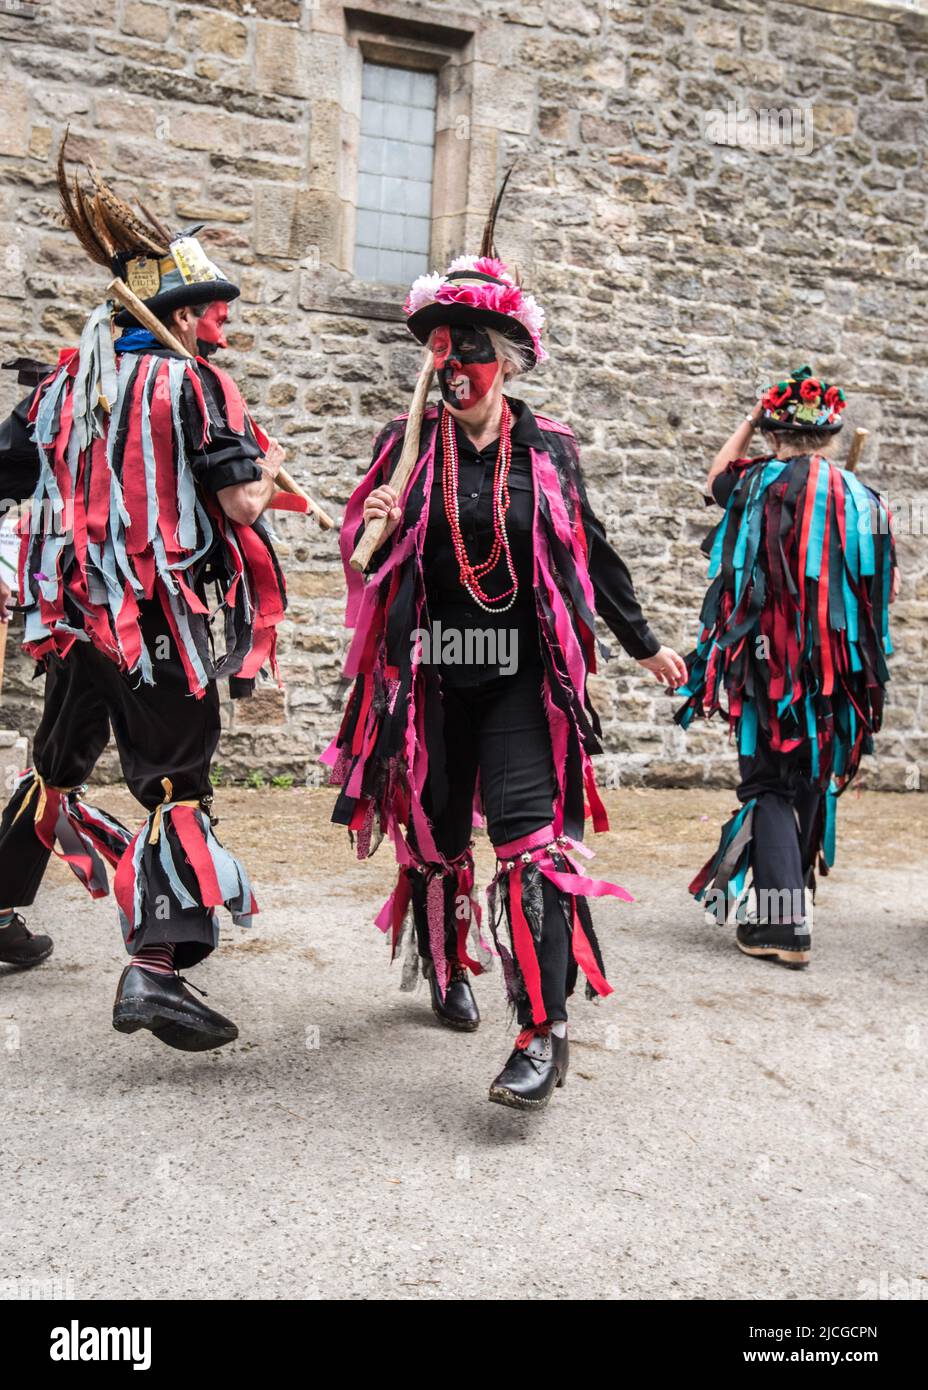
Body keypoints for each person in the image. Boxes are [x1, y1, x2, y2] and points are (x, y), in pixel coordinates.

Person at [324, 195, 685, 1109]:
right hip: (434, 674)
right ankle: (448, 968)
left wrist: (641, 644)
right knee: (440, 843)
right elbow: (367, 563)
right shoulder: (402, 450)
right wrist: (373, 525)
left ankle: (541, 1032)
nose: (458, 369)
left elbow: (591, 555)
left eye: (475, 351)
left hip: (524, 675)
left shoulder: (551, 449)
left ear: (509, 360)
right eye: (445, 352)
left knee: (530, 847)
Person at [0, 140, 301, 1049]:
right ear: (182, 309)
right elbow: (237, 500)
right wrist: (270, 471)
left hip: (79, 613)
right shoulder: (195, 385)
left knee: (58, 760)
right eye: (215, 306)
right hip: (157, 616)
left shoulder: (61, 384)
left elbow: (6, 478)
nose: (223, 322)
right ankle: (156, 973)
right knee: (176, 777)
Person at [677, 365, 897, 969]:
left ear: (774, 436)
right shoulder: (867, 500)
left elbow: (714, 477)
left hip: (765, 664)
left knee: (768, 781)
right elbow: (886, 590)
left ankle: (782, 926)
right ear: (829, 437)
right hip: (839, 676)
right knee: (806, 776)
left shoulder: (753, 484)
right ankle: (786, 903)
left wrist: (750, 418)